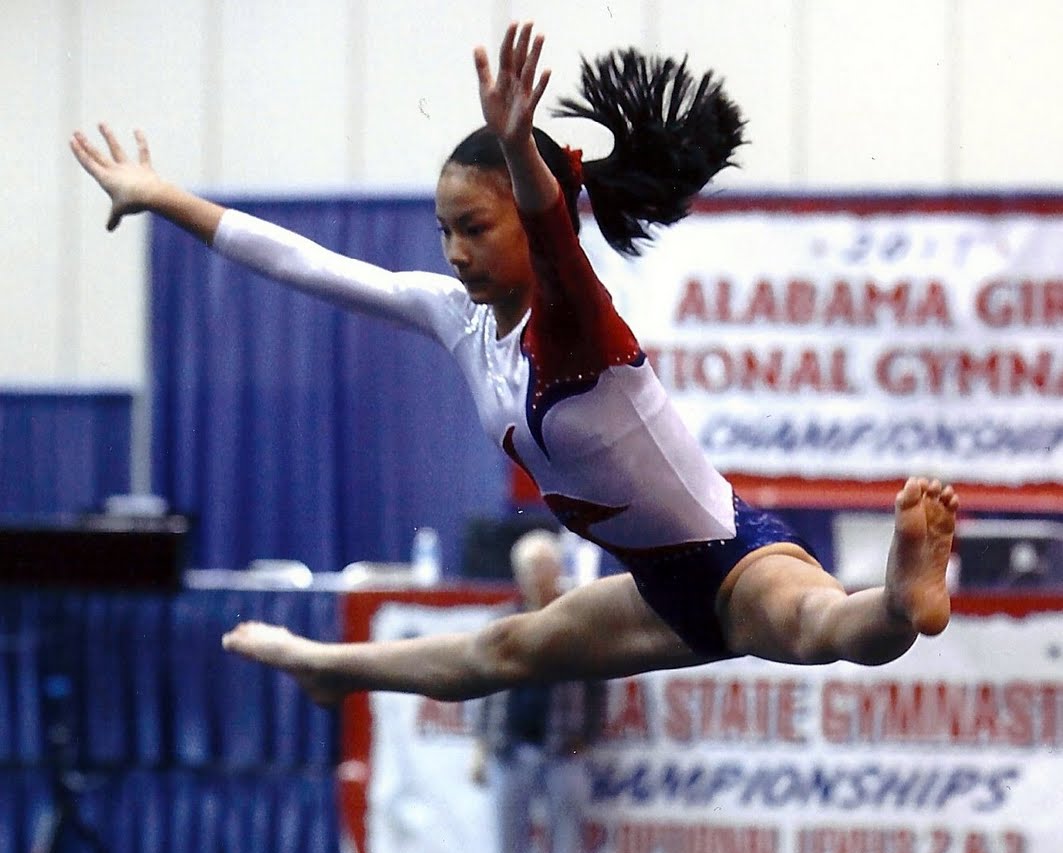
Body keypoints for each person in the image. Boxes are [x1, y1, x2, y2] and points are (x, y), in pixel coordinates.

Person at [71, 21, 958, 717]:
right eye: (444, 230)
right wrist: (162, 196)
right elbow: (307, 265)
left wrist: (520, 150)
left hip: (730, 560)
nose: (455, 251)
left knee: (817, 626)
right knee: (501, 653)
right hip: (652, 589)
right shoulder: (454, 318)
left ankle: (898, 592)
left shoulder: (576, 326)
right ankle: (331, 670)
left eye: (475, 228)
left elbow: (550, 232)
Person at [471, 531, 603, 853]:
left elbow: (600, 685)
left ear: (556, 571)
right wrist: (480, 748)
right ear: (518, 574)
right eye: (529, 569)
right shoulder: (501, 623)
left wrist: (586, 737)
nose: (537, 577)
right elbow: (480, 687)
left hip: (562, 753)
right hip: (510, 751)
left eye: (544, 568)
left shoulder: (577, 621)